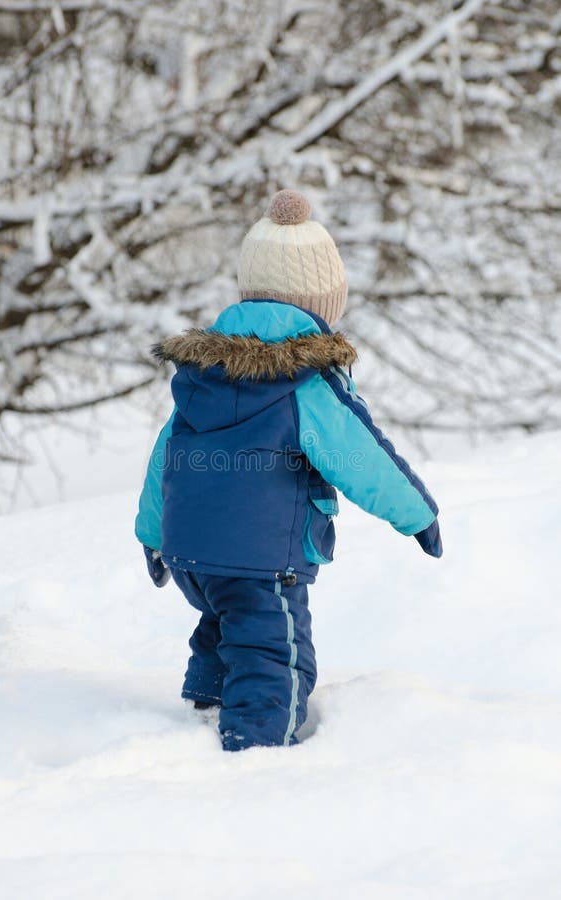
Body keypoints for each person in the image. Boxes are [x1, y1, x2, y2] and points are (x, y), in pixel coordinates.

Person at [135, 189, 442, 752]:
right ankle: (254, 751)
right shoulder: (308, 383)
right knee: (274, 652)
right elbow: (361, 459)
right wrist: (417, 513)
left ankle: (205, 705)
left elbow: (166, 455)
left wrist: (153, 536)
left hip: (188, 554)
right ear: (324, 304)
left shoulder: (202, 375)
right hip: (263, 557)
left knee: (226, 618)